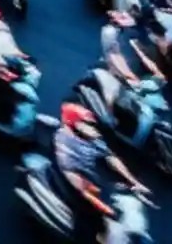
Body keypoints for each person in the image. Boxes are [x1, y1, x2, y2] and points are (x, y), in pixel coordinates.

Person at [54, 103, 151, 244]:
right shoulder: (66, 144)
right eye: (86, 124)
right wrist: (106, 210)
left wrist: (134, 182)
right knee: (99, 228)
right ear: (74, 125)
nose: (93, 128)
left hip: (95, 184)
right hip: (76, 188)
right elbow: (77, 184)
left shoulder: (92, 137)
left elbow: (110, 158)